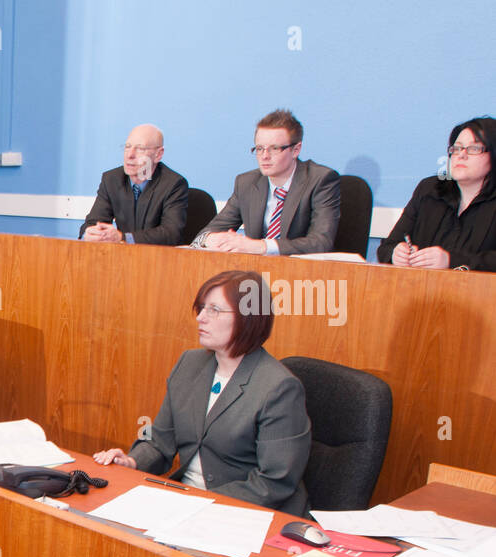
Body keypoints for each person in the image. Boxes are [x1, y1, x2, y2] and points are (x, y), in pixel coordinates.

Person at [93, 270, 311, 515]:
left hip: (244, 512)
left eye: (214, 310)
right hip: (187, 503)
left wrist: (197, 503)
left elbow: (274, 483)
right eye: (202, 308)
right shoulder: (189, 363)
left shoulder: (279, 387)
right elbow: (159, 442)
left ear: (249, 318)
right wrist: (132, 462)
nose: (201, 318)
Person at [194, 109, 340, 256]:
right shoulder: (247, 183)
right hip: (254, 272)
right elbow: (206, 233)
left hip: (303, 274)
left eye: (274, 148)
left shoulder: (320, 180)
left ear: (296, 150)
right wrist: (211, 239)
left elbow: (320, 243)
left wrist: (261, 246)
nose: (264, 156)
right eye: (259, 148)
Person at [377, 117, 496, 272]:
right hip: (420, 290)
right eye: (457, 148)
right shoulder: (429, 190)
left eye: (474, 148)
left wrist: (451, 261)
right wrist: (396, 254)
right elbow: (387, 247)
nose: (461, 155)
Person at [80, 124, 189, 245]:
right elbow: (92, 223)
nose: (130, 155)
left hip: (158, 259)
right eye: (127, 147)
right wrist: (90, 234)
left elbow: (170, 234)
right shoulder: (112, 179)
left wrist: (123, 238)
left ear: (158, 154)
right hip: (122, 258)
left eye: (140, 149)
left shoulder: (173, 184)